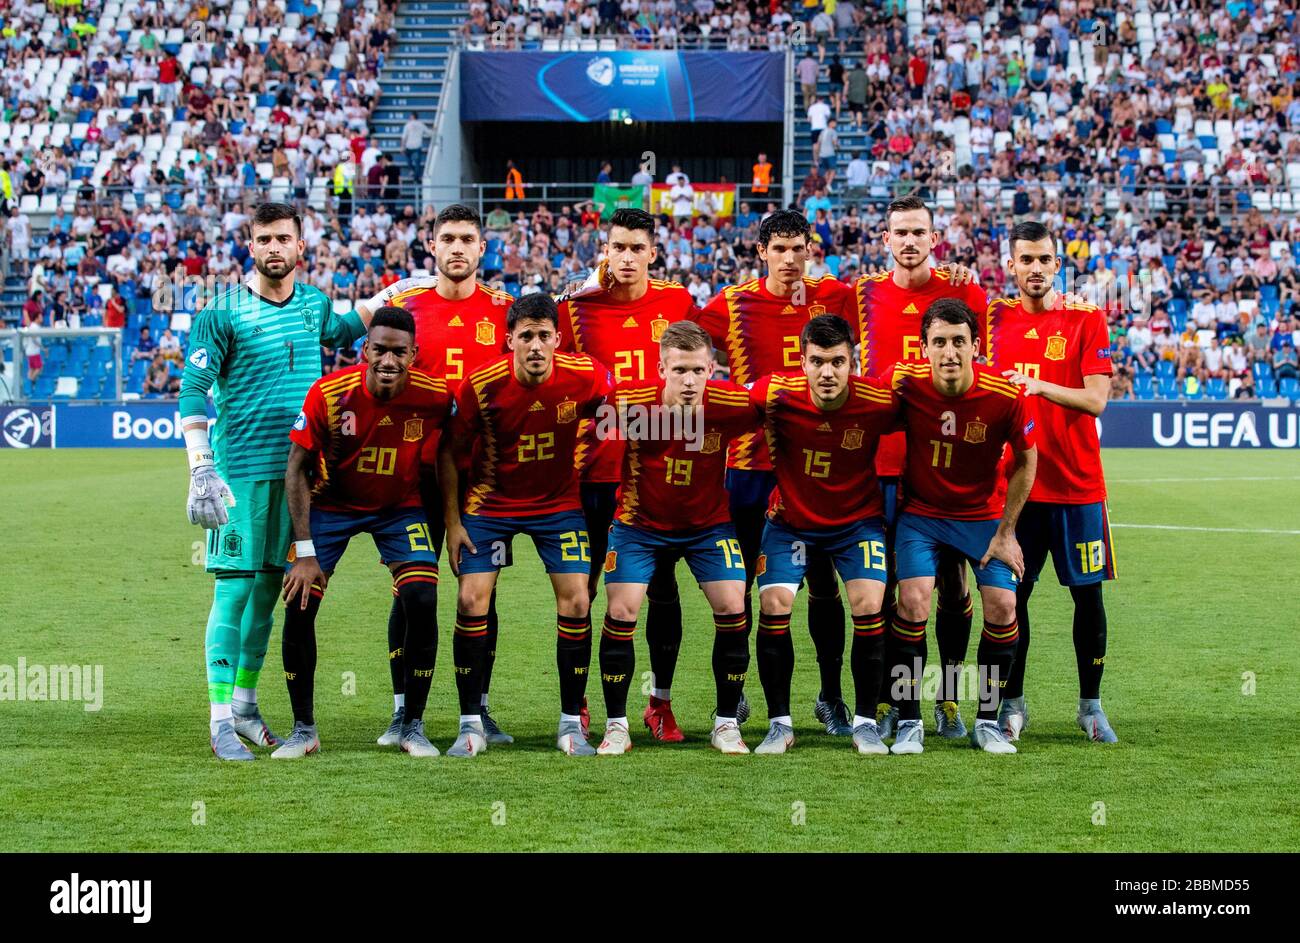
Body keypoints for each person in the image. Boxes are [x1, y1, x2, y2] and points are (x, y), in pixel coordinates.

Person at [179, 202, 372, 761]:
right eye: (264, 239)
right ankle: (218, 720)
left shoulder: (313, 304)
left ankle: (243, 704)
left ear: (300, 247)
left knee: (271, 593)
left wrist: (399, 292)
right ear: (250, 246)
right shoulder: (222, 312)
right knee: (234, 589)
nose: (274, 249)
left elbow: (346, 327)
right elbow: (194, 389)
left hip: (300, 480)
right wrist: (200, 464)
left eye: (283, 239)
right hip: (239, 477)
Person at [694, 210, 856, 735]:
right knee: (739, 587)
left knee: (824, 584)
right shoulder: (732, 303)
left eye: (799, 248)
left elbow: (899, 296)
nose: (790, 259)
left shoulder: (837, 295)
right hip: (749, 466)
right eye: (780, 249)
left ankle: (830, 697)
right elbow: (678, 339)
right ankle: (735, 696)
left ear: (810, 250)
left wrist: (957, 276)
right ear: (761, 251)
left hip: (817, 466)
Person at [356, 205, 512, 745]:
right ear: (432, 245)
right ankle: (403, 710)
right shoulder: (402, 309)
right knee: (410, 593)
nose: (457, 249)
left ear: (482, 248)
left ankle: (479, 709)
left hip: (483, 481)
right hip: (412, 476)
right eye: (448, 239)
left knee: (481, 594)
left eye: (467, 239)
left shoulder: (504, 310)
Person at [439, 293, 613, 757]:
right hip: (491, 505)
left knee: (578, 600)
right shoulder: (479, 385)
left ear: (558, 339)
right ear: (509, 340)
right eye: (526, 336)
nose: (535, 346)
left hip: (558, 505)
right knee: (471, 599)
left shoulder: (587, 375)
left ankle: (571, 725)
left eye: (543, 336)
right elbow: (450, 454)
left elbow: (616, 419)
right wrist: (454, 523)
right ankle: (471, 723)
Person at [274, 307, 453, 759]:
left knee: (422, 599)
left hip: (400, 508)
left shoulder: (435, 396)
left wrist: (452, 520)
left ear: (414, 354)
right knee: (299, 602)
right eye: (379, 350)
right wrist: (306, 550)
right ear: (364, 350)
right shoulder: (329, 394)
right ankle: (304, 729)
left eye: (398, 352)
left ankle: (412, 725)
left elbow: (454, 449)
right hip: (331, 507)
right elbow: (294, 471)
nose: (388, 360)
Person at [557, 208, 696, 740]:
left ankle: (658, 703)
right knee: (582, 591)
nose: (628, 257)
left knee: (661, 589)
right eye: (619, 247)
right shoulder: (576, 310)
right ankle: (580, 702)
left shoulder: (678, 302)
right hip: (593, 473)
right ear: (605, 250)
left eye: (638, 248)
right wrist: (584, 284)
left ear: (653, 253)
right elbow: (529, 334)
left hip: (657, 474)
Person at [853, 195, 987, 737]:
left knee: (954, 586)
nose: (909, 241)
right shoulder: (859, 293)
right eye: (899, 233)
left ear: (935, 238)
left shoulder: (964, 292)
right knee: (892, 588)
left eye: (918, 232)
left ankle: (950, 698)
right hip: (883, 463)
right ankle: (888, 698)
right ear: (885, 241)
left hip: (946, 463)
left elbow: (988, 360)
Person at [596, 322, 756, 754]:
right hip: (639, 526)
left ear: (712, 368)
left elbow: (779, 407)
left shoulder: (730, 404)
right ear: (661, 367)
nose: (689, 381)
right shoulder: (626, 402)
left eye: (699, 371)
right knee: (622, 609)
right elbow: (585, 435)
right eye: (679, 370)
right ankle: (616, 725)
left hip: (708, 526)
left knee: (733, 603)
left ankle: (726, 724)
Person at [987, 221, 1119, 744]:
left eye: (1045, 259)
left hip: (1077, 487)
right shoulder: (993, 318)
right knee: (1012, 598)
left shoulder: (1087, 318)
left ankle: (1090, 707)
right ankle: (1012, 705)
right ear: (1011, 266)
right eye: (1026, 260)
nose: (1036, 268)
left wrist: (1038, 384)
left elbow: (1096, 400)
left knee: (1088, 598)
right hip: (1017, 489)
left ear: (1056, 264)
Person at [889, 298, 1038, 755]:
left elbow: (1027, 459)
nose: (950, 352)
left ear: (977, 344)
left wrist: (1007, 531)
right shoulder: (905, 386)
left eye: (959, 341)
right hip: (923, 515)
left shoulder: (1005, 395)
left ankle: (988, 721)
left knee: (1003, 605)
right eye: (939, 342)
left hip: (982, 518)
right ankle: (909, 719)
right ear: (924, 347)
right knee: (912, 600)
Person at [749, 315, 899, 756]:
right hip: (791, 524)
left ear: (853, 361)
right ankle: (779, 724)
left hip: (857, 525)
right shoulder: (775, 393)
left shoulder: (878, 400)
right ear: (802, 361)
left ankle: (867, 723)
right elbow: (718, 404)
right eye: (817, 361)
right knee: (774, 604)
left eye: (837, 361)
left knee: (870, 604)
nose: (827, 372)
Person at [400, 111, 430, 177]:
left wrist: (402, 147)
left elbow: (404, 137)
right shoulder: (421, 124)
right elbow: (429, 133)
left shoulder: (408, 125)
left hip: (409, 146)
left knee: (408, 159)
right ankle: (416, 179)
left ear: (412, 116)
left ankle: (412, 170)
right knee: (417, 163)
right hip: (417, 146)